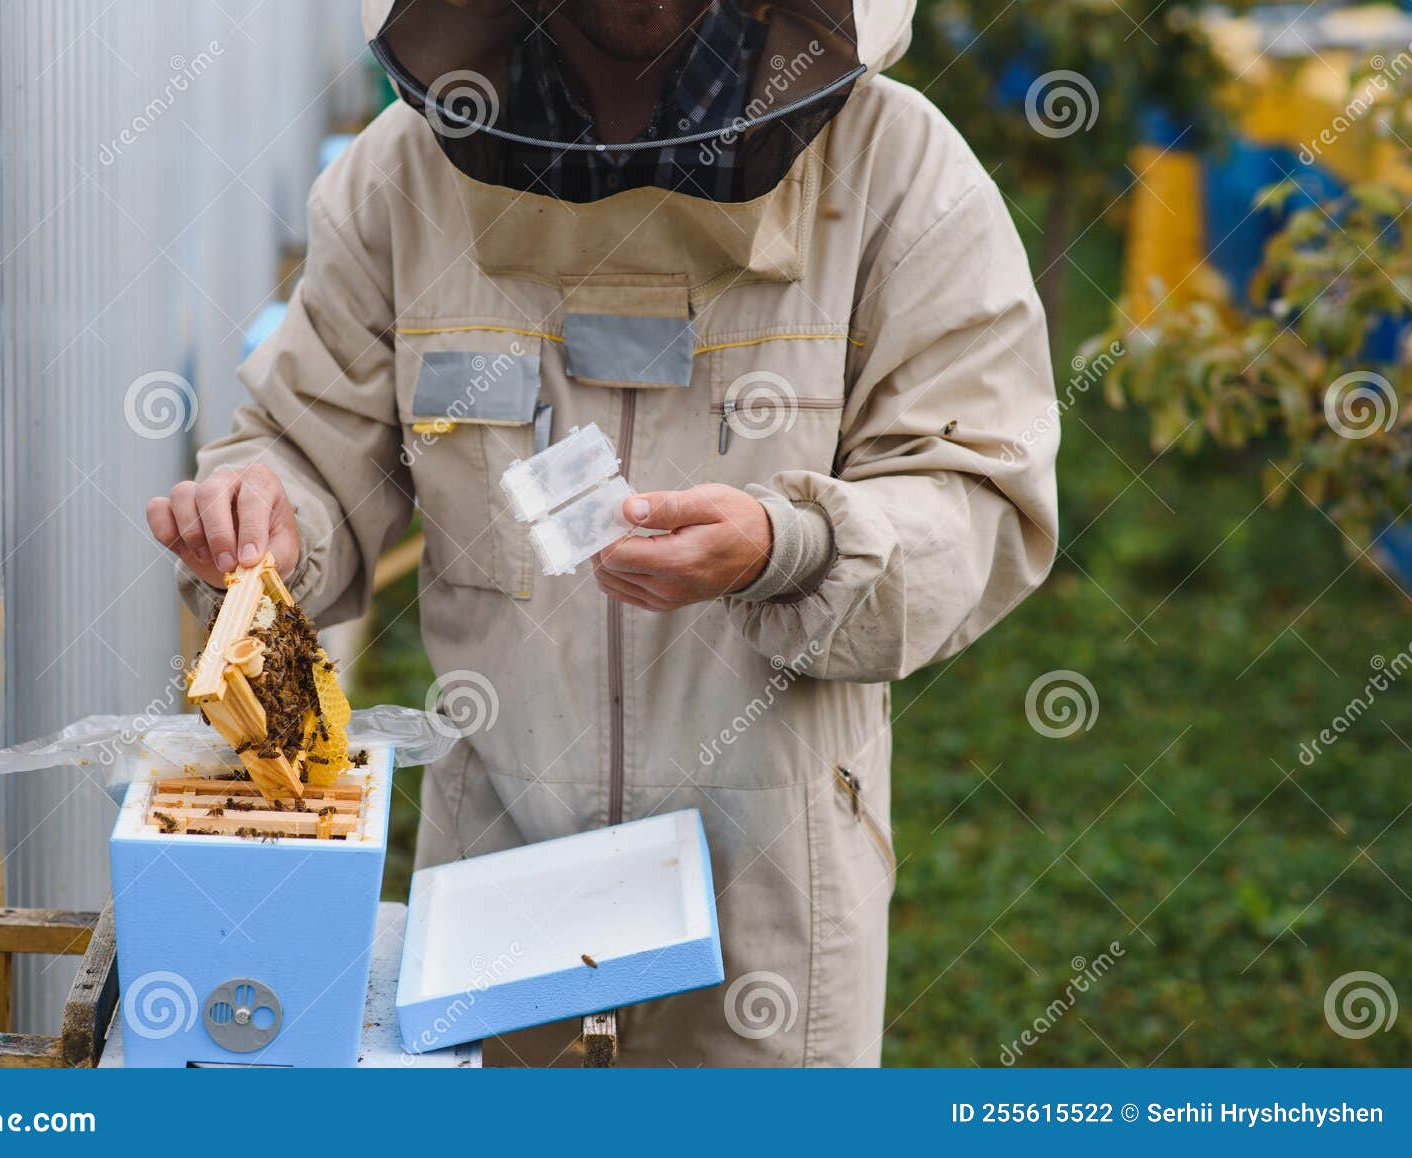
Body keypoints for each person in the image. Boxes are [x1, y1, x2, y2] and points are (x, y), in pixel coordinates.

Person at [146, 0, 1059, 1066]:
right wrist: (266, 519)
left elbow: (980, 496)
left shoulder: (897, 169)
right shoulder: (402, 178)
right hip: (494, 878)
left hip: (770, 896)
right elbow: (306, 450)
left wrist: (788, 545)